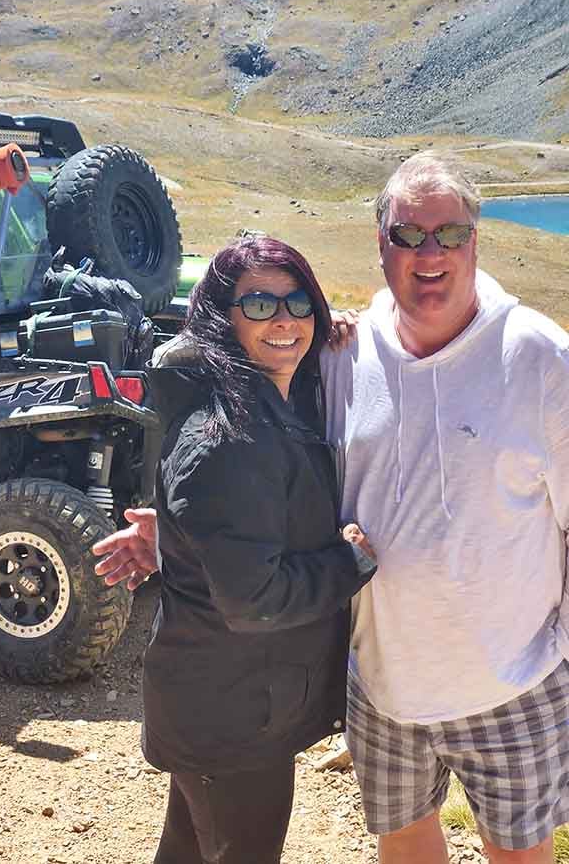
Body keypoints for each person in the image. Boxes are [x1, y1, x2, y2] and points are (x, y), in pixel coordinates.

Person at [95, 152, 569, 864]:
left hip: (511, 682)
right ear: (380, 246)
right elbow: (251, 480)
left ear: (477, 238)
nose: (429, 253)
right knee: (401, 848)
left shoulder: (537, 356)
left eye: (449, 233)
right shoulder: (341, 358)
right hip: (379, 689)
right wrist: (185, 532)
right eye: (408, 235)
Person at [96, 236, 375, 864]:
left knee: (189, 851)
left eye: (298, 301)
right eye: (258, 304)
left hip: (223, 700)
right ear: (221, 318)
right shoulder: (230, 437)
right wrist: (348, 559)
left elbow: (240, 532)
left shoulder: (262, 400)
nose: (283, 319)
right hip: (234, 717)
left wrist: (334, 330)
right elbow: (255, 602)